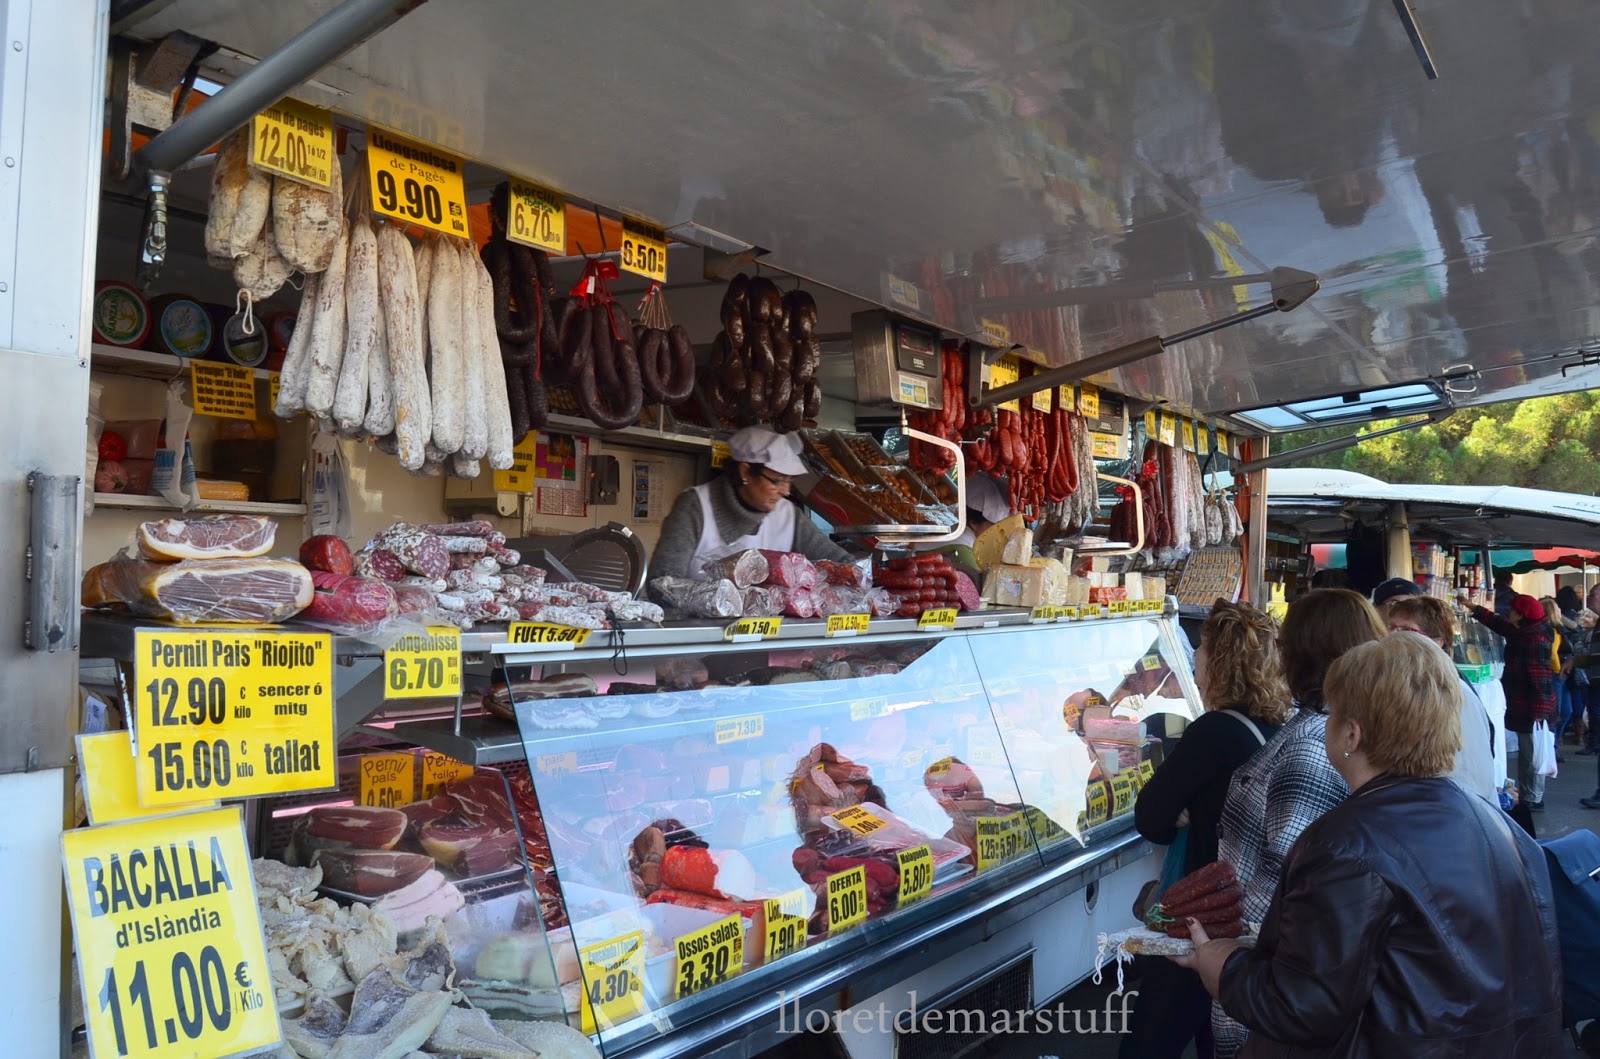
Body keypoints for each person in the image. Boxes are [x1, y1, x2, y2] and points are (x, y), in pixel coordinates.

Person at [1173, 633, 1563, 1057]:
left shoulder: (1346, 845)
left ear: (1351, 735)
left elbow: (1302, 1007)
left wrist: (1223, 967)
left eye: (1332, 713)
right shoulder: (1504, 827)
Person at [1209, 588, 1385, 1059]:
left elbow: (1282, 887)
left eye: (1286, 646)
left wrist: (1230, 968)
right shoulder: (1328, 729)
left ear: (1305, 654)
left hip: (1268, 990)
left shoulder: (1314, 744)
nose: (1278, 657)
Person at [1123, 602, 1290, 1059]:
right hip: (1246, 916)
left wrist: (1186, 811)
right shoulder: (1276, 725)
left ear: (1221, 662)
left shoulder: (1214, 731)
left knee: (1148, 1044)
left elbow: (1151, 818)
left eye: (1201, 648)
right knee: (1214, 1039)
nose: (1193, 657)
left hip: (1201, 915)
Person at [650, 426, 851, 580]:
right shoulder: (694, 507)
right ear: (745, 472)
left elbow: (842, 563)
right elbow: (662, 581)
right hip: (697, 632)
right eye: (777, 481)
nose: (786, 491)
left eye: (790, 481)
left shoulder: (788, 515)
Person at [1384, 595, 1497, 801]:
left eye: (1407, 631)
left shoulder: (1451, 692)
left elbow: (1472, 775)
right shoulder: (1406, 683)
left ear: (1437, 642)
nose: (1394, 636)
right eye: (1391, 627)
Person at [1471, 594, 1558, 811]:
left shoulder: (1534, 639)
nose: (1509, 613)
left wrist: (1539, 713)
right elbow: (1500, 624)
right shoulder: (1525, 632)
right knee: (1529, 753)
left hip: (1532, 709)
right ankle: (1530, 794)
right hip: (1526, 705)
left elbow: (1541, 679)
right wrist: (1473, 607)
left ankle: (1533, 798)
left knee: (1532, 755)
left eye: (1512, 610)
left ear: (1521, 614)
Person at [1543, 597, 1575, 760]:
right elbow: (1552, 654)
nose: (1560, 611)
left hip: (1561, 675)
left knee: (1565, 711)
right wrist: (1557, 669)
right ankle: (1552, 747)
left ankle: (1554, 744)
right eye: (1557, 608)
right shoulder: (1548, 630)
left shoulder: (1560, 628)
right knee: (1557, 713)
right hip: (1555, 674)